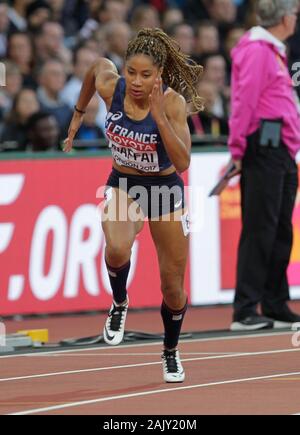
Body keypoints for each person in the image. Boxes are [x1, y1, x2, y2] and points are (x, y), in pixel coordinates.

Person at [63, 27, 203, 382]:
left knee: (173, 288)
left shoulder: (172, 102)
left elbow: (184, 162)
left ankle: (170, 351)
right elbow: (96, 67)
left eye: (146, 74)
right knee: (116, 248)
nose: (137, 82)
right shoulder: (114, 88)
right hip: (125, 183)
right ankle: (120, 303)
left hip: (164, 190)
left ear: (160, 75)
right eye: (131, 72)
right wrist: (80, 111)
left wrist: (158, 117)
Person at [229, 0, 300, 331]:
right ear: (285, 18)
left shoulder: (271, 49)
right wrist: (238, 147)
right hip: (264, 147)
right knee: (261, 227)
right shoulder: (258, 50)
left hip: (281, 149)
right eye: (295, 14)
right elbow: (244, 101)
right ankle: (245, 309)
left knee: (281, 227)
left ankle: (273, 302)